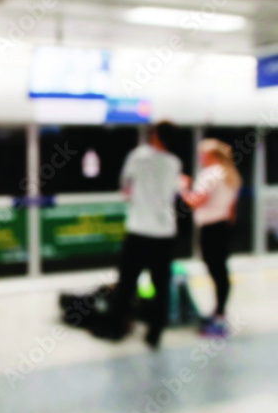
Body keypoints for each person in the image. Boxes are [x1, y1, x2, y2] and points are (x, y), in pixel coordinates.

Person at [100, 121, 182, 349]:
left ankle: (116, 328)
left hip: (138, 230)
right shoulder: (175, 163)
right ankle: (155, 332)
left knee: (127, 283)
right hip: (164, 233)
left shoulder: (137, 156)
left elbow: (126, 189)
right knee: (161, 285)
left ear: (155, 135)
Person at [180, 139, 240, 337]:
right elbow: (232, 209)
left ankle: (219, 318)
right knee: (221, 270)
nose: (200, 158)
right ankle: (219, 311)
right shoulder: (229, 174)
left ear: (210, 156)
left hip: (210, 229)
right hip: (223, 227)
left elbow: (196, 202)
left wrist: (183, 189)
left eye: (202, 155)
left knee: (215, 270)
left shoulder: (210, 175)